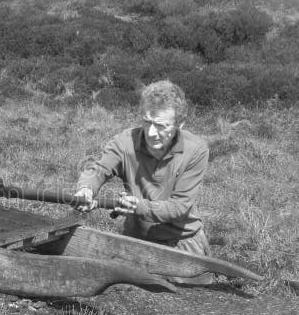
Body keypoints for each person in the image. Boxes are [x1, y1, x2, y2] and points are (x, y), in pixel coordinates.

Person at [73, 80, 213, 284]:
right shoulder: (124, 141)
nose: (151, 133)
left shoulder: (196, 150)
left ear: (179, 124)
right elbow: (99, 169)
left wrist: (141, 207)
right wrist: (86, 189)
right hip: (137, 239)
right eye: (147, 122)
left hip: (182, 241)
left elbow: (179, 206)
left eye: (161, 125)